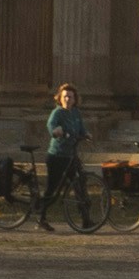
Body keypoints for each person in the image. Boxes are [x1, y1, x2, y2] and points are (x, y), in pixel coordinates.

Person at [38, 80, 87, 230]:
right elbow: (51, 125)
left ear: (75, 99)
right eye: (65, 96)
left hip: (71, 155)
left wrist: (86, 134)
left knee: (80, 186)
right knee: (52, 190)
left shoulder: (76, 113)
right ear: (60, 98)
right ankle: (41, 217)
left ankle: (86, 219)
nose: (67, 99)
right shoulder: (57, 113)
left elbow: (81, 129)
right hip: (57, 156)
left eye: (70, 97)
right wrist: (56, 131)